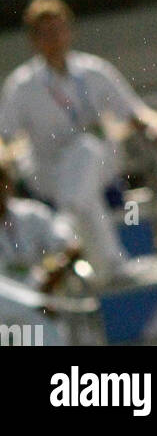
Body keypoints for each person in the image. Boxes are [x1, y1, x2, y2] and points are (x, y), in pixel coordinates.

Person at [0, 0, 157, 283]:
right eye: (45, 33)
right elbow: (4, 134)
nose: (54, 39)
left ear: (69, 30)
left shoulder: (94, 71)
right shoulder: (22, 85)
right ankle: (113, 267)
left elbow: (133, 111)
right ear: (33, 40)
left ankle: (67, 227)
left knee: (87, 150)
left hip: (100, 166)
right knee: (83, 188)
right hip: (47, 173)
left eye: (59, 29)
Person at [0, 148, 81, 345]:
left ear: (8, 182)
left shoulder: (31, 214)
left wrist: (50, 278)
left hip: (37, 304)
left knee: (40, 325)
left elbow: (71, 245)